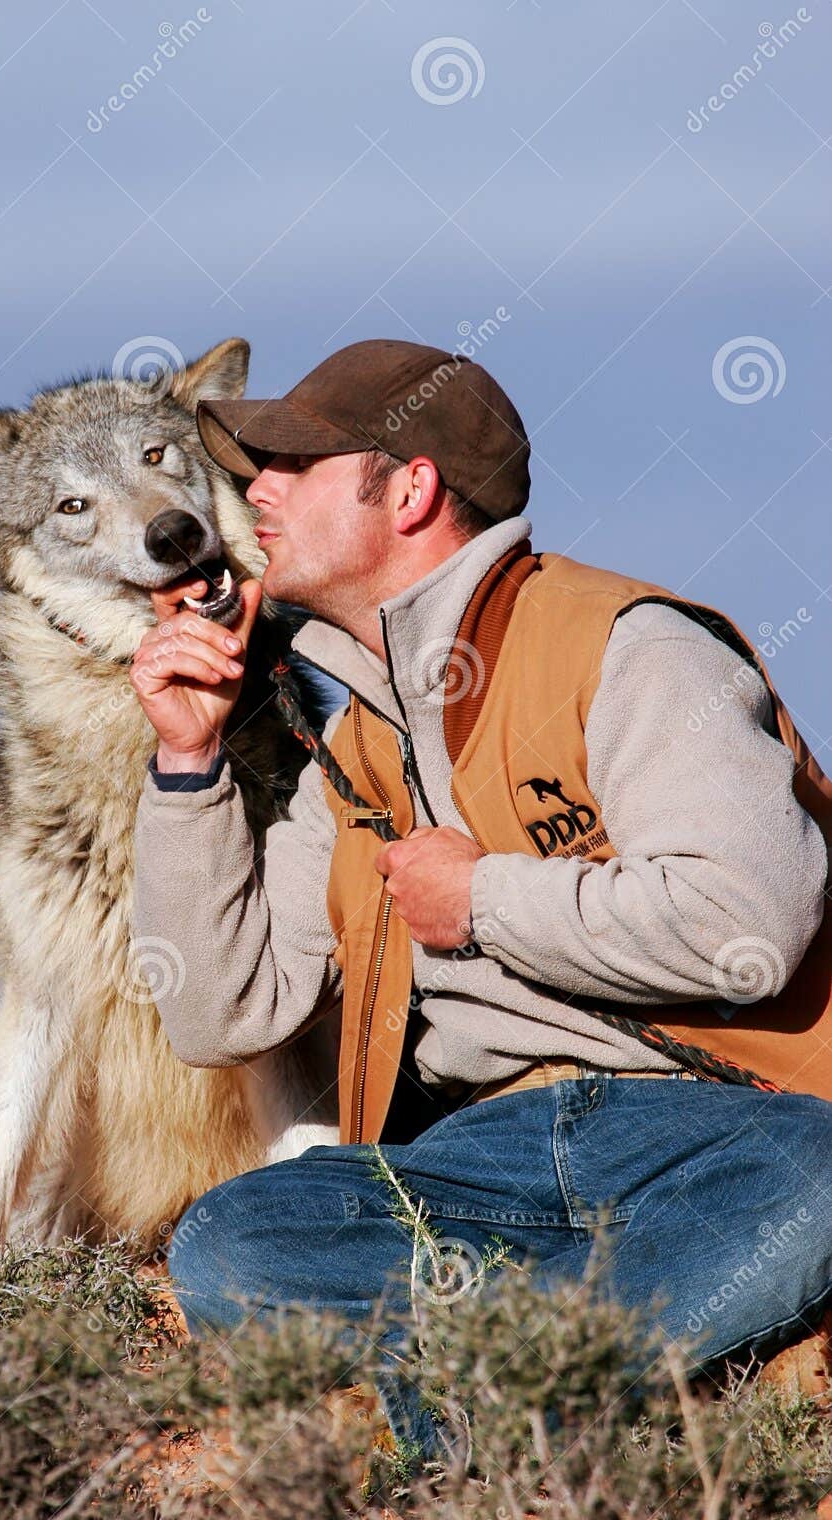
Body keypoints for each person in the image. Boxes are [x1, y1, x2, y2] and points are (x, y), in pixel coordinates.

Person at [131, 338, 832, 1458]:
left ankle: (495, 1409)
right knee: (236, 1235)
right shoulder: (350, 743)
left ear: (409, 489)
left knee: (820, 1178)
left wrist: (485, 901)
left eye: (293, 465)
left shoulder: (631, 647)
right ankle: (589, 1366)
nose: (251, 491)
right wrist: (186, 765)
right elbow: (220, 1013)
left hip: (717, 1130)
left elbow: (749, 925)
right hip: (476, 1162)